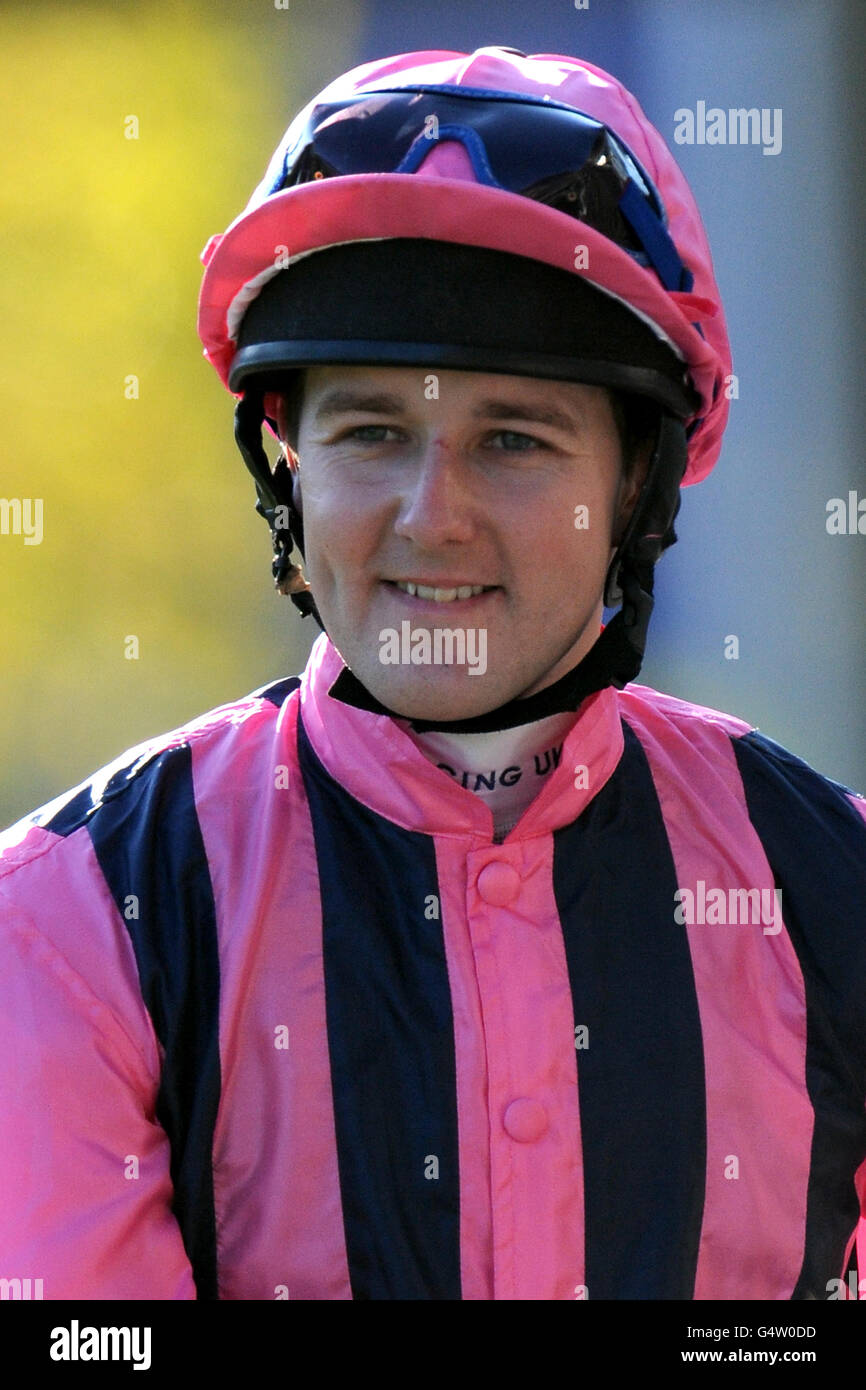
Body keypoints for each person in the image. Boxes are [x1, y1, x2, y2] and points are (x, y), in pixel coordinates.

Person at [1, 44, 864, 1303]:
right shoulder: (69, 920)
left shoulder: (833, 888)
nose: (430, 515)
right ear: (284, 460)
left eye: (511, 439)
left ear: (636, 480)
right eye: (370, 434)